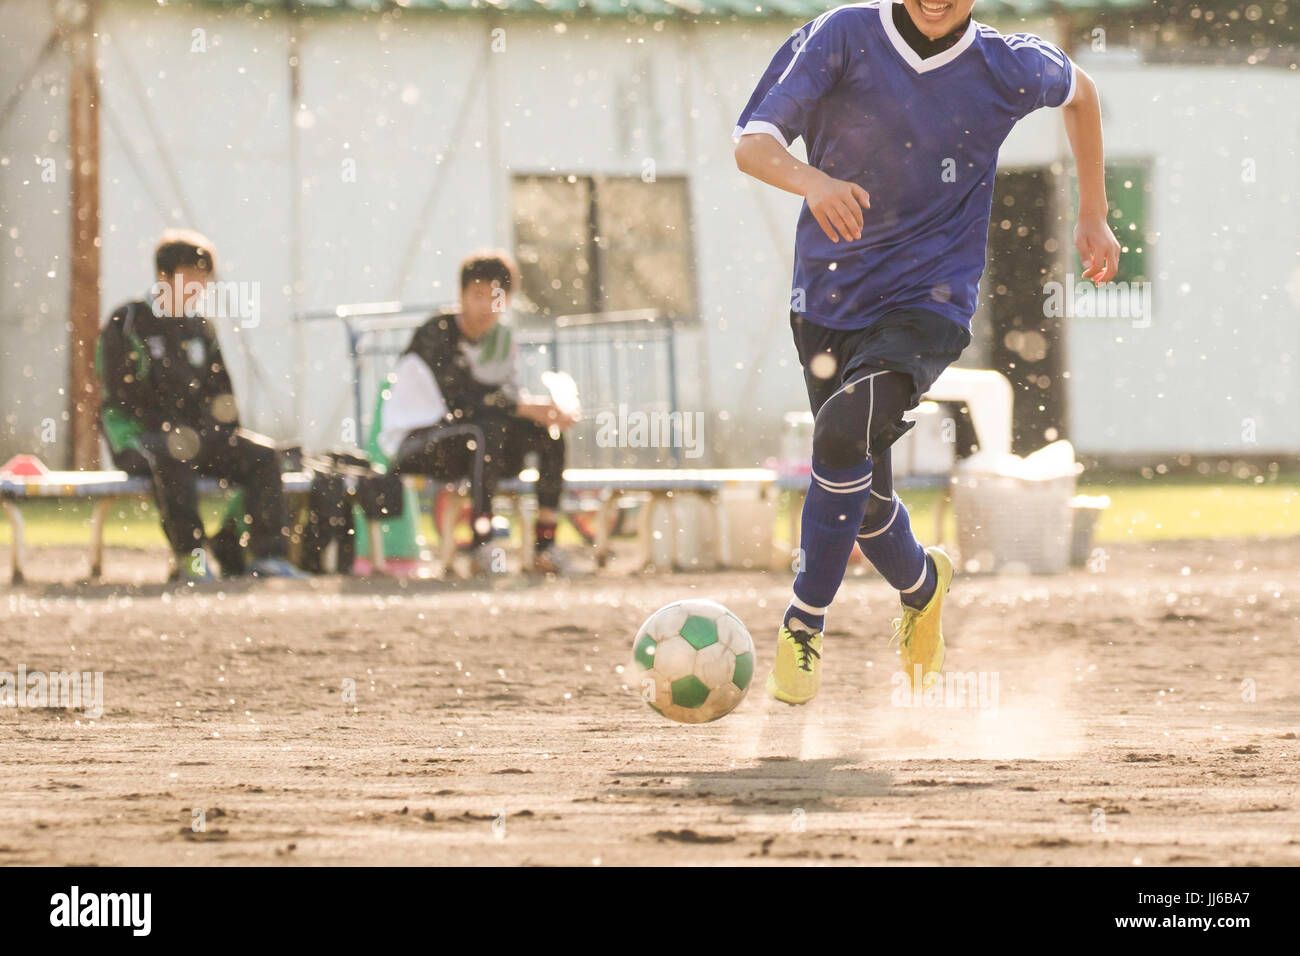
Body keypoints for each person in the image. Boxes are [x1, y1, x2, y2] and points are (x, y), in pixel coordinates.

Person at [733, 0, 1121, 701]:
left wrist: (1093, 212)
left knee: (843, 430)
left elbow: (1083, 94)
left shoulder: (1006, 64)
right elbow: (751, 143)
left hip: (928, 303)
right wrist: (813, 182)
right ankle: (923, 584)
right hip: (825, 303)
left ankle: (804, 625)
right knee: (865, 496)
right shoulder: (842, 34)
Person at [96, 229, 305, 581]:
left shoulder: (200, 328)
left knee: (263, 455)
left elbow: (221, 395)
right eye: (189, 275)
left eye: (203, 277)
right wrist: (173, 427)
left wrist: (216, 430)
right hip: (137, 437)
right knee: (174, 451)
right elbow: (121, 393)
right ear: (164, 277)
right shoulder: (128, 320)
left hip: (192, 439)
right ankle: (192, 562)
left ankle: (266, 557)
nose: (198, 285)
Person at [378, 251, 578, 575]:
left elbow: (505, 397)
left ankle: (546, 545)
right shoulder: (435, 333)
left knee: (547, 435)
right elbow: (461, 402)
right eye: (478, 295)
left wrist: (548, 412)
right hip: (419, 442)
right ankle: (481, 545)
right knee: (484, 432)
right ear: (461, 296)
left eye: (496, 297)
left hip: (479, 445)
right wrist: (524, 408)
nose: (487, 306)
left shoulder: (502, 340)